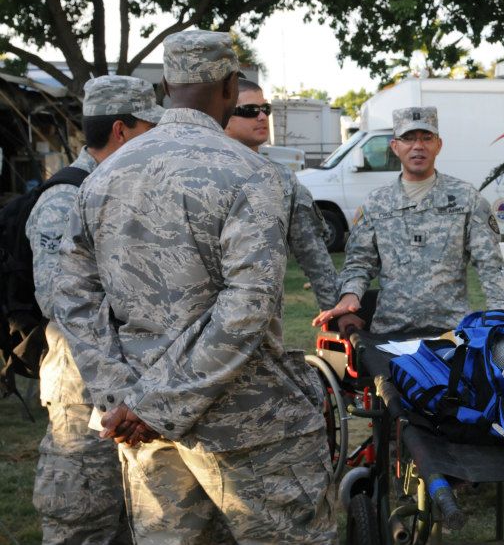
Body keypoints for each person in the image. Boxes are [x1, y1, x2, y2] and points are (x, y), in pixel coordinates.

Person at [53, 29, 336, 544]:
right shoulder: (254, 175)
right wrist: (149, 405)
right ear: (229, 87)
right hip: (249, 426)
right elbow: (249, 304)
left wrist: (123, 399)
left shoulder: (102, 178)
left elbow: (73, 298)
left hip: (145, 431)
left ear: (165, 87)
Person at [27, 75, 160, 545]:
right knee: (83, 521)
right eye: (149, 129)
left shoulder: (128, 190)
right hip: (82, 393)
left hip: (134, 386)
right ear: (121, 130)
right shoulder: (64, 198)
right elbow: (56, 298)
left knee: (137, 520)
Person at [314, 106, 504, 334]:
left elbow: (491, 265)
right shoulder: (377, 203)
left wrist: (501, 316)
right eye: (408, 138)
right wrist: (350, 295)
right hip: (389, 333)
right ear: (394, 147)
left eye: (427, 138)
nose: (418, 146)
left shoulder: (466, 199)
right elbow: (359, 263)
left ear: (439, 145)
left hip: (451, 333)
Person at [224, 78, 338, 310]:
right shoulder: (203, 177)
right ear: (224, 117)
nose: (262, 117)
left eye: (265, 109)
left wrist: (335, 309)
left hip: (264, 319)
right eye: (249, 110)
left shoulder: (282, 179)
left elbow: (313, 253)